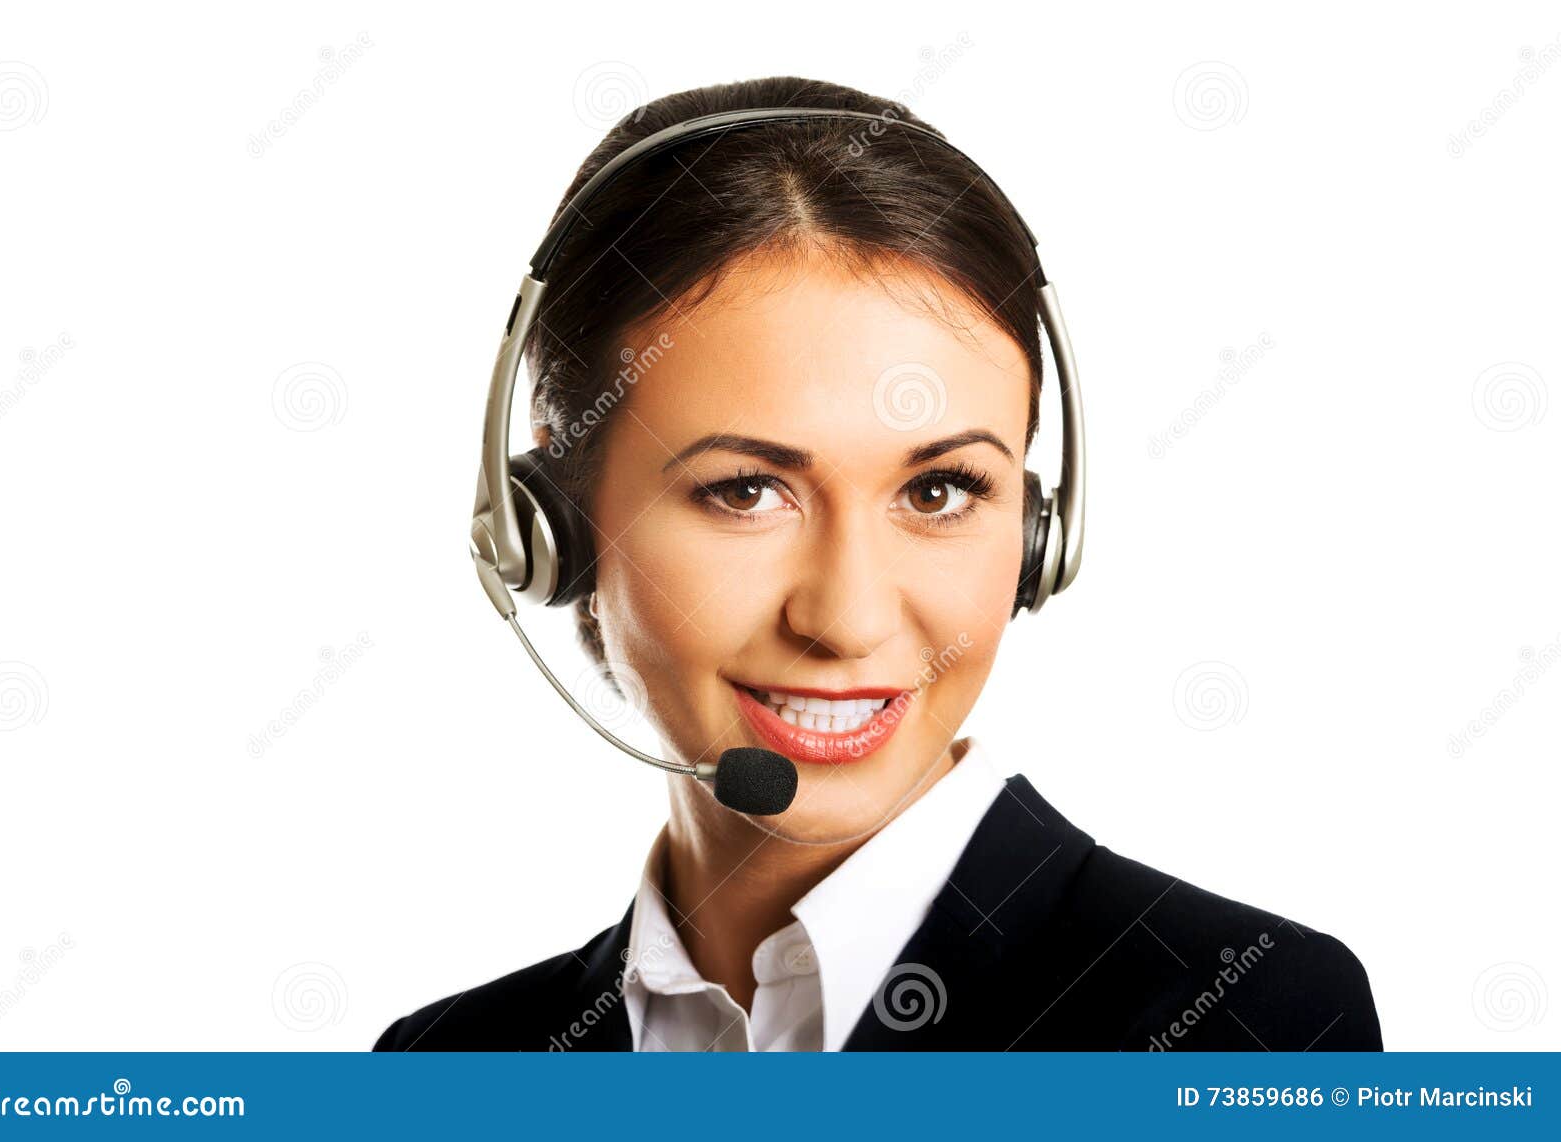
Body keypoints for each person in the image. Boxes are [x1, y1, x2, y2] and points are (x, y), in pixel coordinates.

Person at [374, 76, 1382, 1052]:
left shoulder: (1244, 1023)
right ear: (551, 524)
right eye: (746, 490)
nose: (848, 617)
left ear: (1041, 534)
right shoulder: (445, 1064)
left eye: (938, 490)